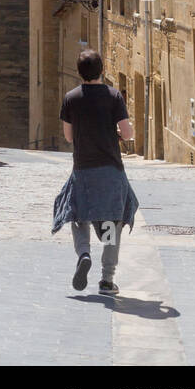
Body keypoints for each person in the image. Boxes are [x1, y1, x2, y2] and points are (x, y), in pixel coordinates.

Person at [51, 48, 138, 297]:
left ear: (79, 72)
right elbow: (128, 133)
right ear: (102, 70)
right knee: (112, 221)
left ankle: (84, 253)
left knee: (78, 215)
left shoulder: (71, 98)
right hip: (111, 169)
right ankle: (107, 280)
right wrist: (117, 134)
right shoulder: (113, 96)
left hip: (83, 168)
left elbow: (68, 136)